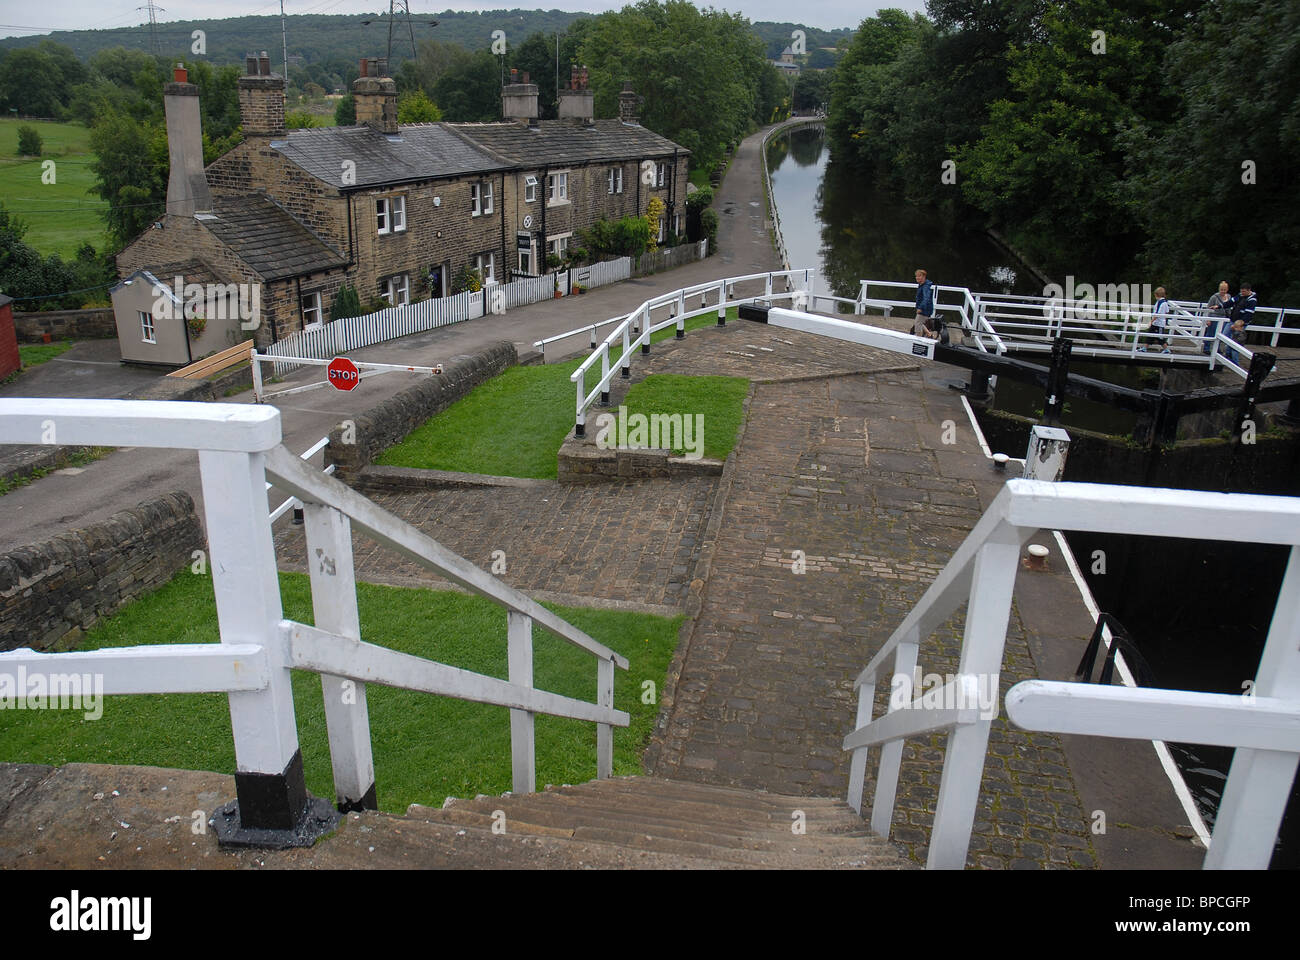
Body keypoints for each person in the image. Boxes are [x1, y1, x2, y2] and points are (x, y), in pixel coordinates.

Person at [1226, 282, 1257, 363]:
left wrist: (1238, 325)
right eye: (1241, 291)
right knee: (1226, 336)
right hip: (1234, 320)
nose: (1242, 293)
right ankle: (1228, 356)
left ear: (1249, 290)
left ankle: (1234, 362)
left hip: (1240, 324)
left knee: (1236, 343)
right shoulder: (1240, 296)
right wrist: (1219, 306)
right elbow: (1230, 302)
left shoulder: (1252, 300)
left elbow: (1248, 314)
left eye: (1244, 292)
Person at [1139, 286, 1172, 353]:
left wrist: (1151, 321)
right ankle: (1144, 348)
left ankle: (1166, 350)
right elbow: (1167, 311)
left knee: (1160, 338)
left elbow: (1158, 314)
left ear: (1157, 295)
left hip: (1159, 324)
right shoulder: (1163, 302)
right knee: (1149, 335)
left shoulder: (1161, 303)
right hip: (1156, 323)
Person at [1203, 281, 1231, 356]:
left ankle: (1217, 348)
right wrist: (1208, 319)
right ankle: (1206, 347)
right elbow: (1208, 307)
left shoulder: (1228, 297)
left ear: (1227, 289)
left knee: (1220, 334)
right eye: (1221, 289)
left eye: (1224, 289)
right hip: (1214, 316)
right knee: (1211, 333)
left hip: (1224, 317)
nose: (1223, 291)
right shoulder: (1214, 297)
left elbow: (1229, 307)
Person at [913, 269, 938, 339]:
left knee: (917, 324)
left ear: (924, 277)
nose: (917, 278)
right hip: (924, 308)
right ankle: (929, 334)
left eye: (919, 276)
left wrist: (920, 308)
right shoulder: (921, 285)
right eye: (916, 276)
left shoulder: (925, 287)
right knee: (918, 322)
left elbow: (926, 298)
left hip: (925, 309)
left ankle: (919, 339)